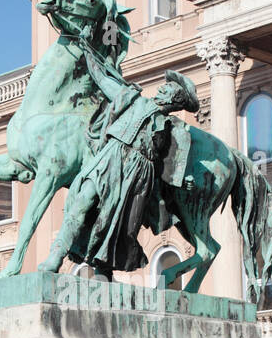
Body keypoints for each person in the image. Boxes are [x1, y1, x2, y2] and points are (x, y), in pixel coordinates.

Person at [40, 42, 198, 276]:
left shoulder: (170, 130)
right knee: (83, 200)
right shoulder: (132, 100)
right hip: (111, 159)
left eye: (170, 91)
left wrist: (181, 182)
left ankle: (103, 271)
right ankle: (55, 257)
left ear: (175, 103)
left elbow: (166, 169)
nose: (163, 90)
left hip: (138, 176)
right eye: (165, 88)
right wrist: (87, 51)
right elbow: (103, 81)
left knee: (118, 227)